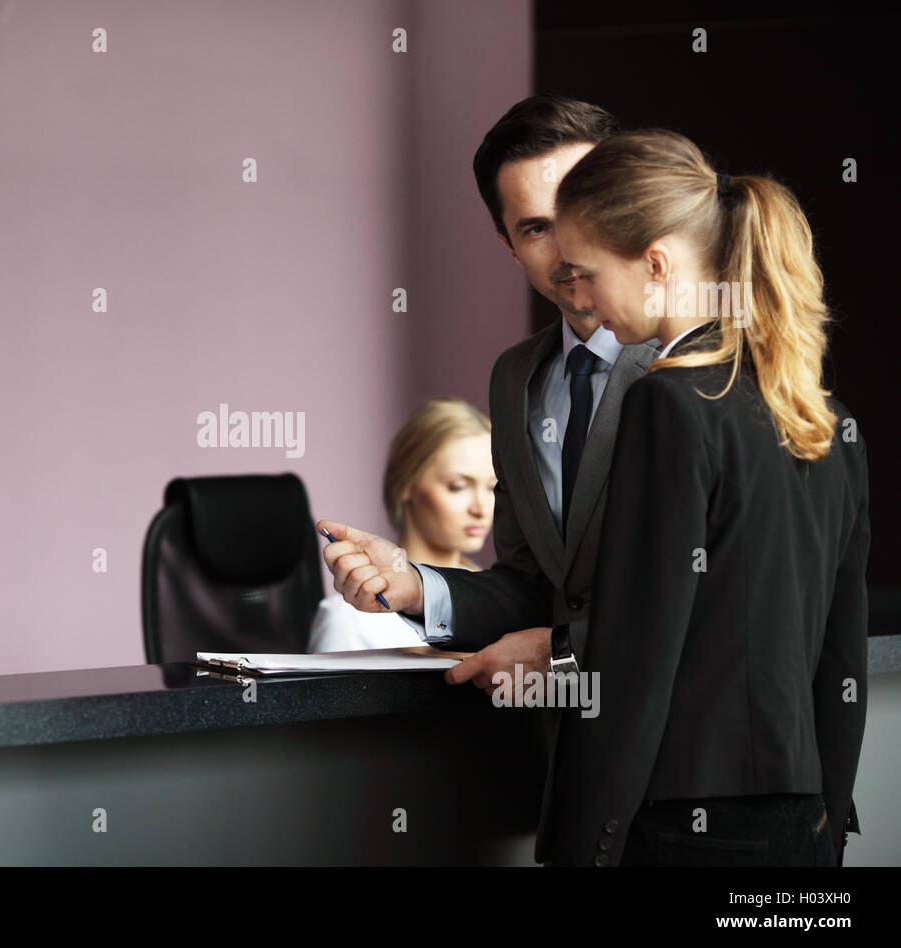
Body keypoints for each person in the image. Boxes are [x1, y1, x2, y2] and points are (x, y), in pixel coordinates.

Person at [318, 95, 662, 865]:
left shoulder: (708, 358)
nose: (566, 247)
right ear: (508, 245)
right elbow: (536, 584)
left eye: (579, 209)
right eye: (535, 228)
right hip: (578, 789)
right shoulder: (516, 379)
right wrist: (415, 586)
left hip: (708, 783)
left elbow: (740, 596)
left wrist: (567, 655)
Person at [535, 129, 868, 866]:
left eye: (586, 273)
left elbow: (635, 660)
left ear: (656, 263)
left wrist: (583, 846)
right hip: (802, 827)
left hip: (686, 832)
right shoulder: (830, 422)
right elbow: (841, 659)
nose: (579, 298)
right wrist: (825, 828)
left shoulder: (668, 404)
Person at [309, 398, 494, 652]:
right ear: (407, 483)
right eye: (458, 486)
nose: (481, 508)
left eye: (492, 487)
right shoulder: (349, 621)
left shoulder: (495, 605)